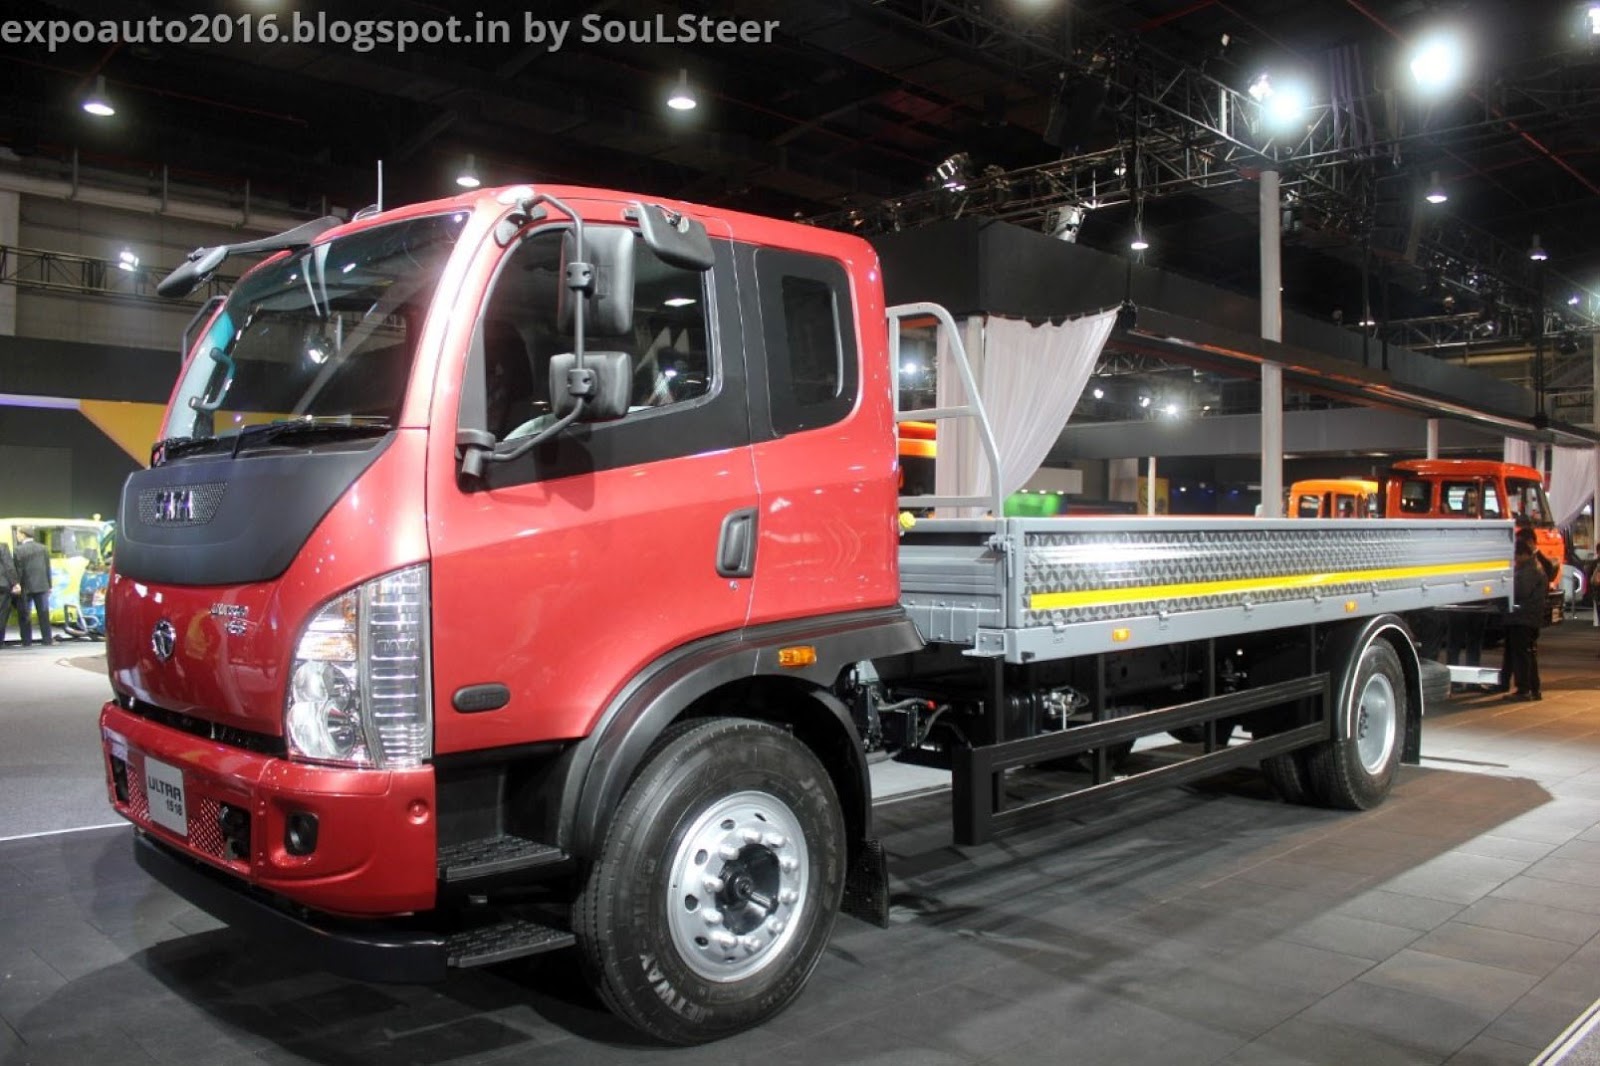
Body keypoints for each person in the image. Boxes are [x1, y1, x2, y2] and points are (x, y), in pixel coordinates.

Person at [1501, 537, 1547, 701]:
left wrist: (1505, 586)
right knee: (1528, 654)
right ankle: (1533, 689)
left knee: (1522, 655)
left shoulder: (1529, 570)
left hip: (1523, 618)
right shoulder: (1533, 567)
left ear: (1523, 554)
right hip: (1527, 618)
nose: (1515, 560)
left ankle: (1524, 689)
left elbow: (1520, 592)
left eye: (1516, 556)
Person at [13, 528, 53, 647]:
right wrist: (49, 585)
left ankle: (26, 640)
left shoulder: (18, 550)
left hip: (26, 586)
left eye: (18, 534)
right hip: (42, 585)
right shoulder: (43, 548)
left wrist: (17, 584)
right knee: (43, 614)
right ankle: (47, 639)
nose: (17, 537)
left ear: (23, 535)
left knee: (25, 614)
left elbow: (18, 569)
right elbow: (47, 567)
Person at [0, 538, 16, 647]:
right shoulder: (2, 546)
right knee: (2, 614)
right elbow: (8, 566)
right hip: (2, 585)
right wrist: (15, 583)